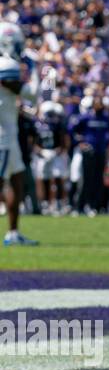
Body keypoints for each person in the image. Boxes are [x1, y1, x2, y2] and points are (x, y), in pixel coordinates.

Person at [0, 56, 35, 245]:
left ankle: (13, 233)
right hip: (2, 139)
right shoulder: (5, 68)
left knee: (17, 181)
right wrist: (39, 70)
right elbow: (35, 94)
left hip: (9, 138)